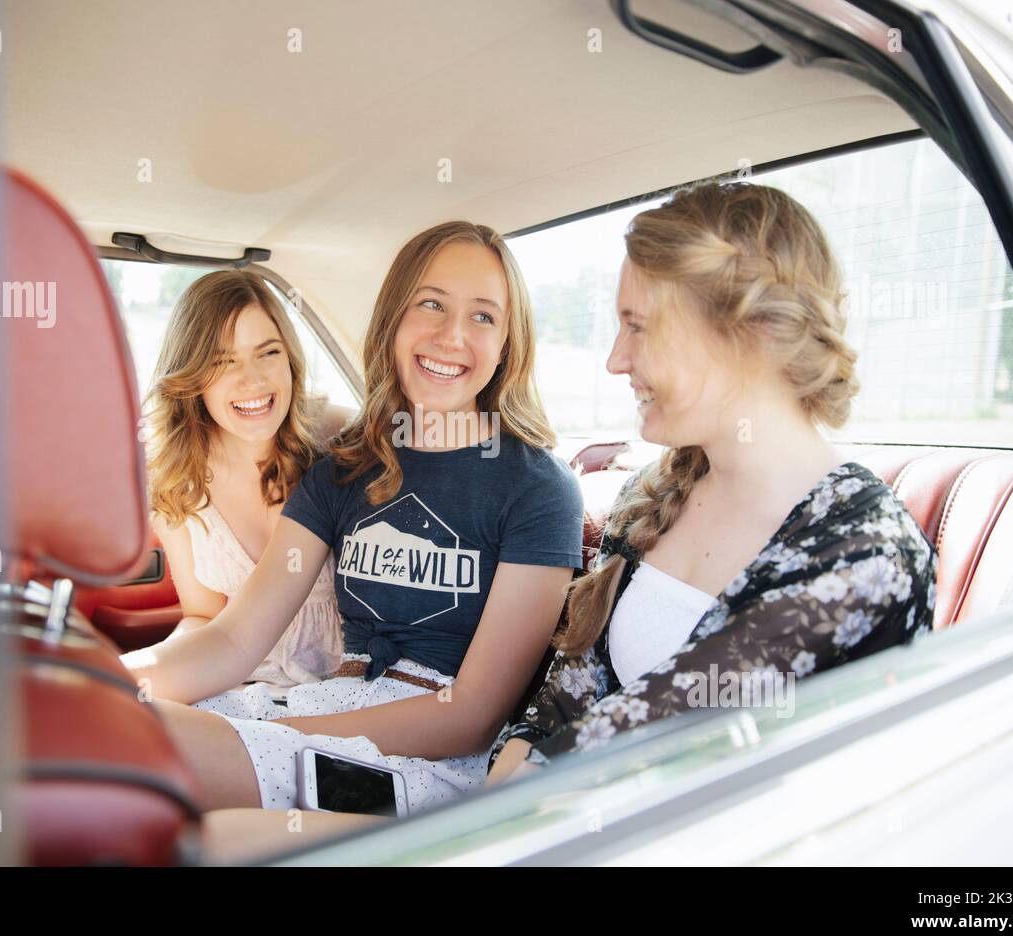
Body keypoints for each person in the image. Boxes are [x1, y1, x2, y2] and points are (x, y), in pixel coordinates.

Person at [123, 221, 585, 824]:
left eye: (482, 317)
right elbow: (234, 639)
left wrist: (289, 729)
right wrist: (100, 678)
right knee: (117, 723)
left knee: (148, 752)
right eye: (431, 305)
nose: (451, 336)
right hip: (330, 702)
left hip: (432, 761)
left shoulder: (537, 487)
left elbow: (472, 717)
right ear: (394, 318)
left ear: (507, 343)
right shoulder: (343, 471)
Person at [488, 180, 938, 783]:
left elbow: (646, 744)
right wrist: (506, 777)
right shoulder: (649, 495)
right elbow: (559, 706)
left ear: (752, 332)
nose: (615, 359)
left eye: (639, 327)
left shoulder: (866, 555)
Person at [144, 269, 350, 699]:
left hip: (349, 690)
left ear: (290, 359)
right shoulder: (177, 479)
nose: (252, 379)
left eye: (267, 352)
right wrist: (154, 672)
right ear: (192, 375)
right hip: (244, 689)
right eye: (223, 361)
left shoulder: (343, 440)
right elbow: (203, 617)